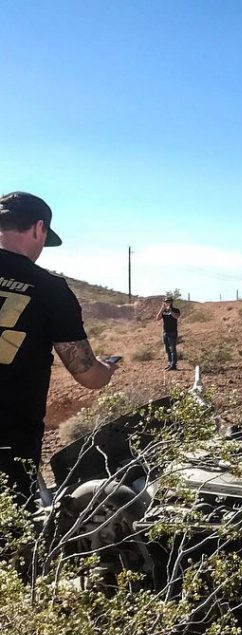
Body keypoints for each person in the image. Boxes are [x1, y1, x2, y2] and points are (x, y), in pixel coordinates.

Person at [0, 192, 117, 507]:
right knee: (10, 540)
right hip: (9, 442)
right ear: (38, 228)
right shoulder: (50, 290)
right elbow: (87, 375)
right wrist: (107, 369)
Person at [156, 297, 181, 370]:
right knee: (167, 349)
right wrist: (162, 308)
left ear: (172, 302)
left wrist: (170, 310)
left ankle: (173, 365)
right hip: (165, 332)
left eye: (169, 301)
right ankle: (169, 363)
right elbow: (157, 318)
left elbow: (176, 317)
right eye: (166, 302)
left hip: (172, 332)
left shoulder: (176, 310)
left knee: (173, 349)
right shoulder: (163, 311)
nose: (167, 303)